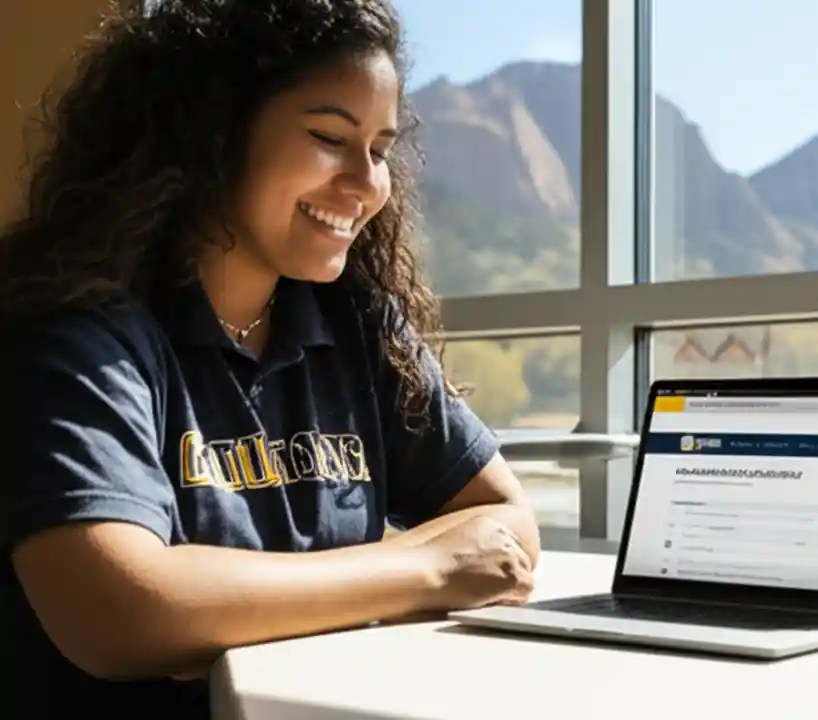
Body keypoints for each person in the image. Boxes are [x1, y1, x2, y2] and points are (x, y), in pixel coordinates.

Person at [0, 1, 540, 717]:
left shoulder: (356, 322)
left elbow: (507, 526)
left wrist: (216, 598)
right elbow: (118, 613)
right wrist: (425, 565)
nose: (368, 183)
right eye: (328, 137)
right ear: (209, 137)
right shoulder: (75, 334)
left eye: (380, 149)